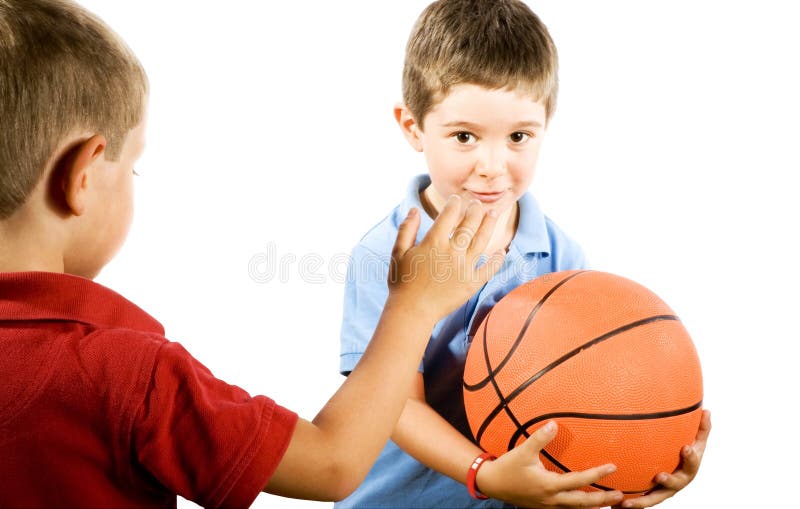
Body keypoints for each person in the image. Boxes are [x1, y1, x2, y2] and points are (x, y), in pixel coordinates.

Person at [0, 1, 508, 507]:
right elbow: (331, 464)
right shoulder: (127, 375)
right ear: (81, 178)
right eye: (132, 168)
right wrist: (413, 306)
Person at [337, 1, 711, 508]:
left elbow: (588, 394)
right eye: (464, 136)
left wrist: (647, 459)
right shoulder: (386, 254)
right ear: (413, 127)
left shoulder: (560, 255)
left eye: (518, 136)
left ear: (545, 124)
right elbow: (396, 406)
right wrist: (484, 473)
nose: (493, 165)